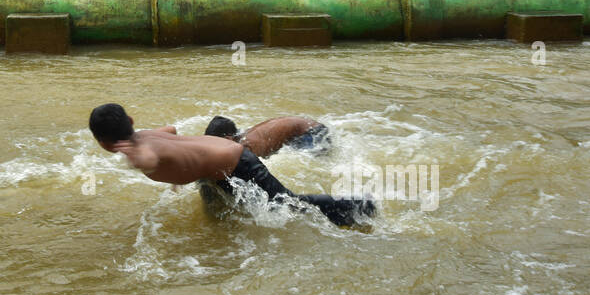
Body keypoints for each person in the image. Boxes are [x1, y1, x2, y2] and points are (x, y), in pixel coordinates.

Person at [87, 103, 375, 227]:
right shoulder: (145, 134)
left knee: (287, 204)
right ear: (132, 123)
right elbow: (172, 130)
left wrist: (140, 160)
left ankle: (361, 208)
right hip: (225, 160)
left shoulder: (141, 151)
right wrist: (175, 172)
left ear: (101, 142)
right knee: (257, 212)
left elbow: (150, 157)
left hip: (236, 163)